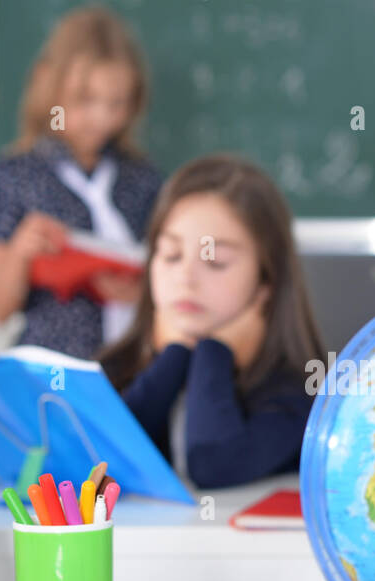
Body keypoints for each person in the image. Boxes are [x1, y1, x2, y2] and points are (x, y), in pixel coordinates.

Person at [99, 154, 325, 490]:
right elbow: (104, 459)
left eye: (216, 262)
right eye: (171, 256)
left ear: (267, 280)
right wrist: (174, 355)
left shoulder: (300, 391)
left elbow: (215, 465)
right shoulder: (114, 367)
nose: (186, 279)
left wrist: (214, 350)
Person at [0, 5, 162, 359]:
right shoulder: (12, 177)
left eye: (117, 103)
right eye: (86, 100)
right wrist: (21, 252)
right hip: (52, 373)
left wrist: (142, 295)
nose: (102, 118)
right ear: (50, 85)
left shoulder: (144, 180)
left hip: (134, 372)